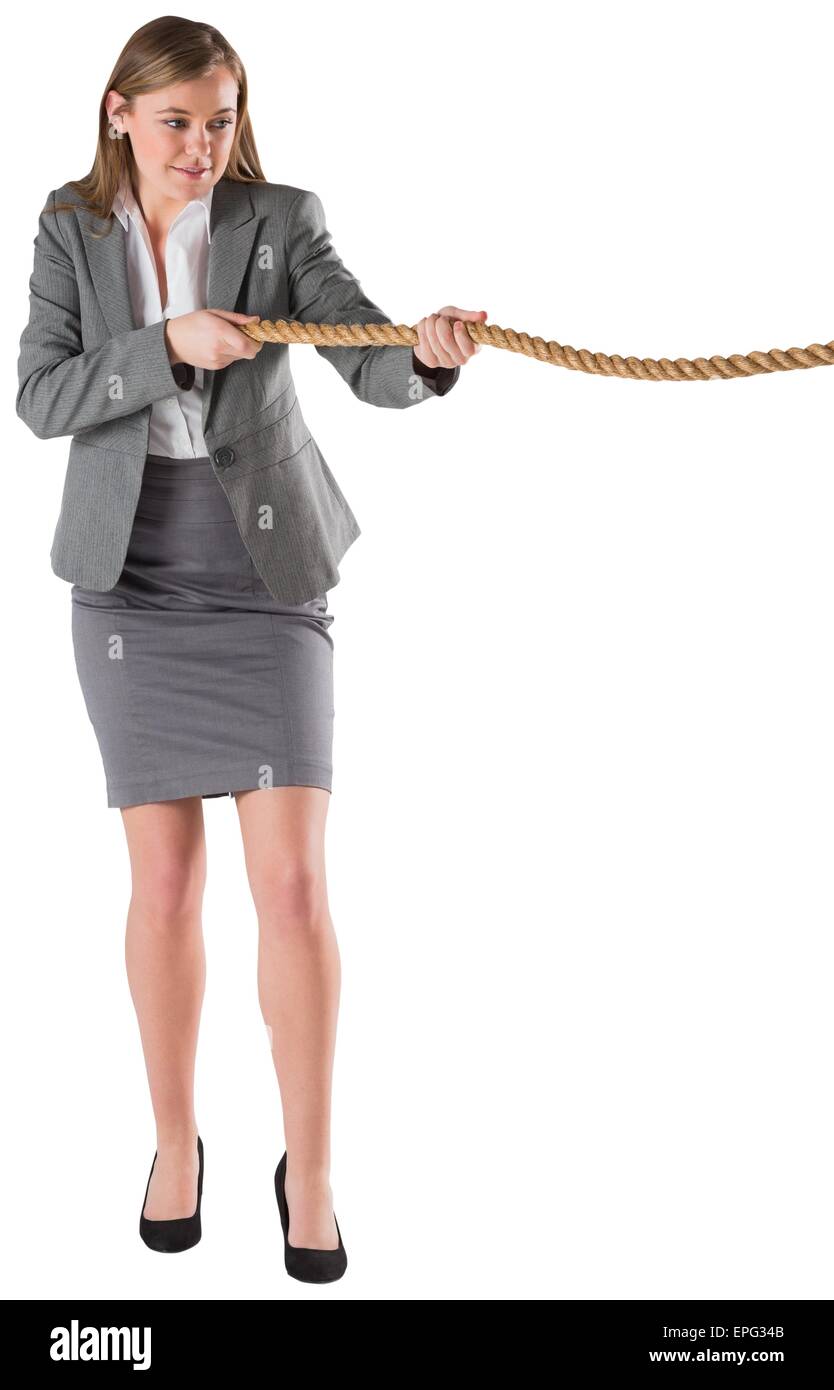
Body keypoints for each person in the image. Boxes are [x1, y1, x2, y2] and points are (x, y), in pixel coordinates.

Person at [16, 16, 483, 1282]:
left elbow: (364, 351)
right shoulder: (69, 228)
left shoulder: (281, 218)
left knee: (292, 888)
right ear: (118, 113)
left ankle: (311, 1170)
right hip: (130, 583)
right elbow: (41, 396)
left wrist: (426, 356)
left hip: (265, 575)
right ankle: (175, 1144)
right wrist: (164, 346)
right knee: (165, 884)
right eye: (176, 122)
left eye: (219, 122)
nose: (201, 147)